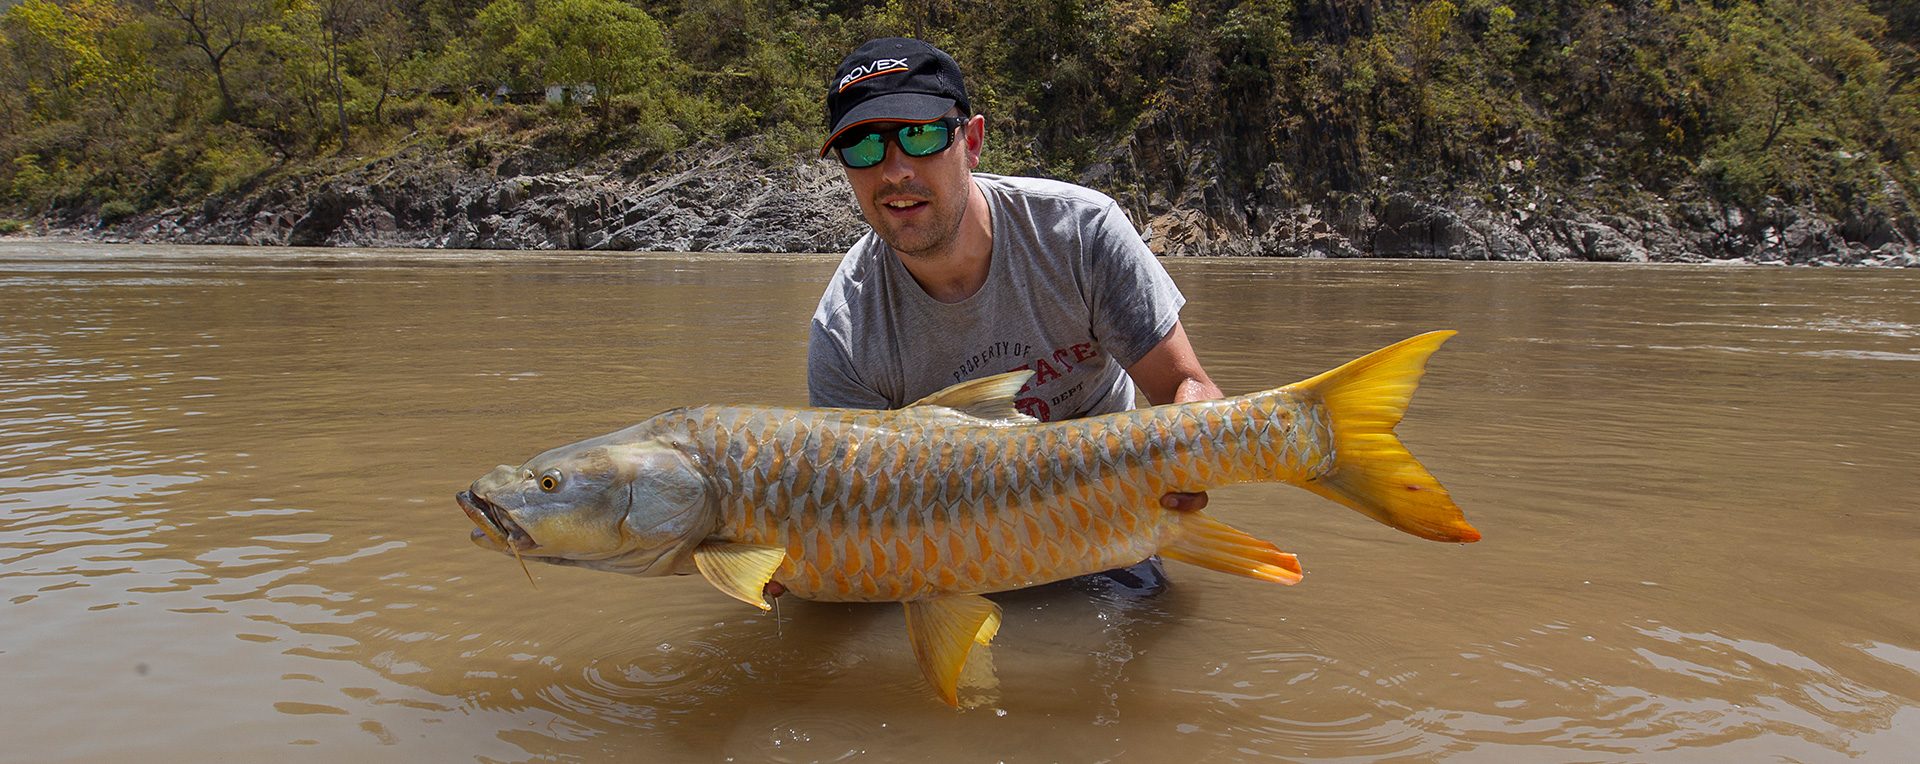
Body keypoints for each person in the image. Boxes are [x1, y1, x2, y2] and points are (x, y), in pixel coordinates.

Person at [805, 37, 1223, 595]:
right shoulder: (844, 334)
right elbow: (856, 512)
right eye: (862, 147)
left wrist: (1188, 463)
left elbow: (1186, 386)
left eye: (921, 134)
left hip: (1106, 517)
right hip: (947, 543)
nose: (894, 171)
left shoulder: (1082, 233)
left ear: (972, 141)